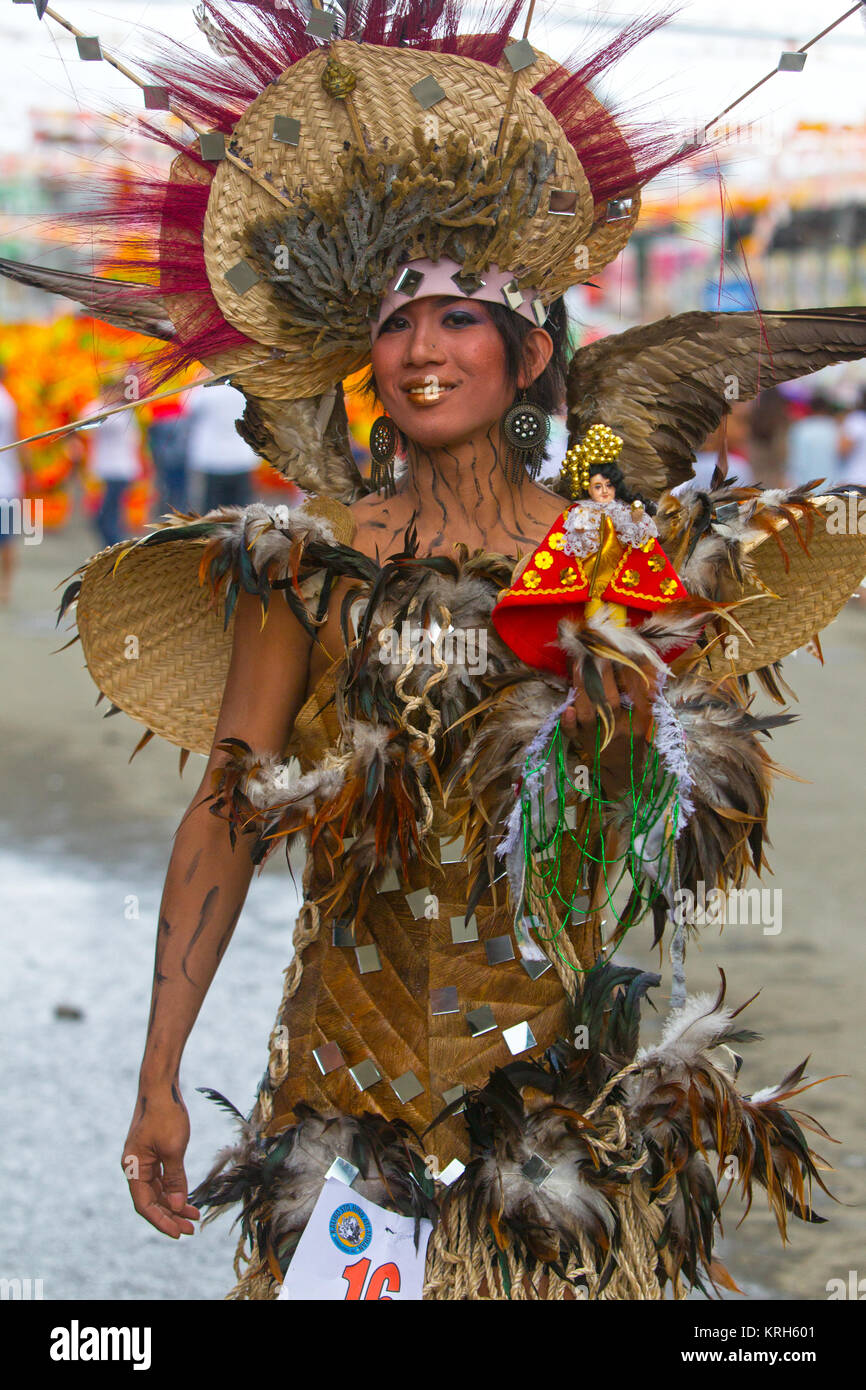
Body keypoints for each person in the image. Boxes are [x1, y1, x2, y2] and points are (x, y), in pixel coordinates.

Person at [36, 2, 866, 1302]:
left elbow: (672, 824)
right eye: (395, 320)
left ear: (528, 349)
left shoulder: (602, 556)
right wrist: (158, 1070)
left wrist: (626, 727)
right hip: (338, 1096)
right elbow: (225, 808)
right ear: (367, 356)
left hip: (554, 1119)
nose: (422, 347)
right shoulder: (302, 561)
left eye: (459, 318)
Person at [81, 378, 143, 549]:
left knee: (106, 518)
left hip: (119, 471)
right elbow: (85, 419)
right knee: (106, 517)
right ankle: (112, 549)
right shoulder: (107, 410)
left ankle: (116, 549)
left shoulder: (123, 414)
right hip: (106, 472)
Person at [184, 382, 259, 512]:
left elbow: (187, 406)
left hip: (213, 457)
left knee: (213, 512)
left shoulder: (204, 390)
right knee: (241, 511)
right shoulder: (246, 388)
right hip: (240, 456)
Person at [784, 392, 843, 489]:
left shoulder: (800, 427)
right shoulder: (836, 427)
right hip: (832, 485)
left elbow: (795, 460)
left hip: (805, 484)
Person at [0, 362, 23, 604]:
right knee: (6, 538)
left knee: (5, 538)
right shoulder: (9, 401)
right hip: (7, 481)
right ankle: (5, 587)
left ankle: (5, 587)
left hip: (4, 482)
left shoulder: (6, 403)